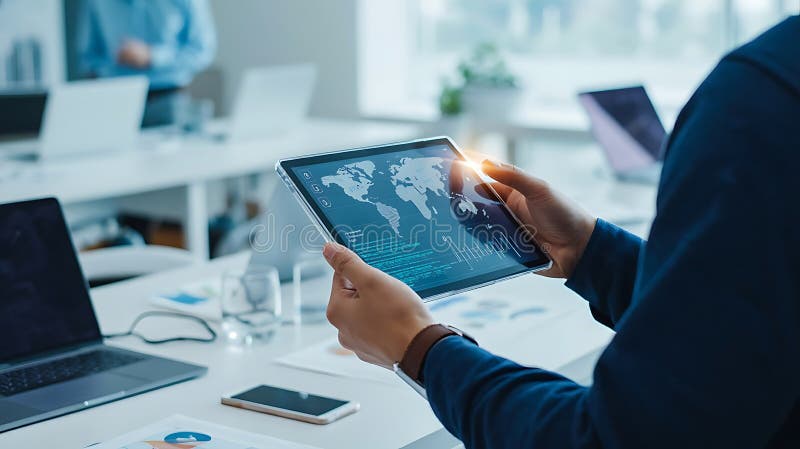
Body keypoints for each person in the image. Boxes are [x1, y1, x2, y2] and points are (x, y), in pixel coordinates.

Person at [321, 16, 800, 449]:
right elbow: (745, 329)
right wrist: (592, 252)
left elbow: (613, 440)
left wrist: (419, 346)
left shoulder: (761, 98)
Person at [78, 0, 217, 126]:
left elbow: (201, 51)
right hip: (114, 100)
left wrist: (152, 56)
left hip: (167, 99)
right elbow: (89, 56)